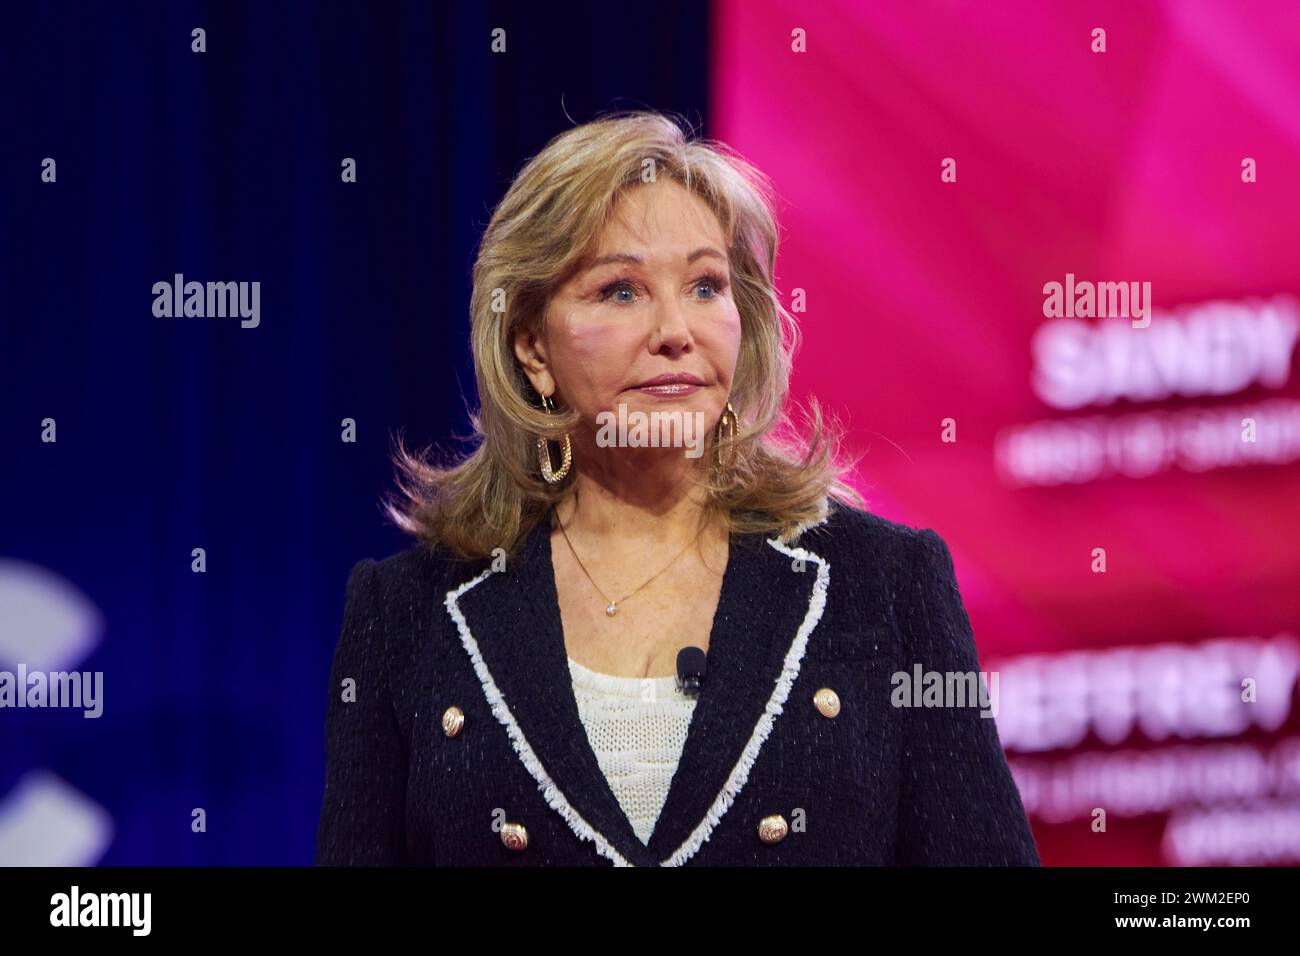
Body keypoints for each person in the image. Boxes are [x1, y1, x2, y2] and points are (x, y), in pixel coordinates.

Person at [315, 111, 1040, 866]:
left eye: (704, 284)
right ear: (532, 346)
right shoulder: (406, 615)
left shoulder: (884, 586)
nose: (675, 330)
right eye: (621, 291)